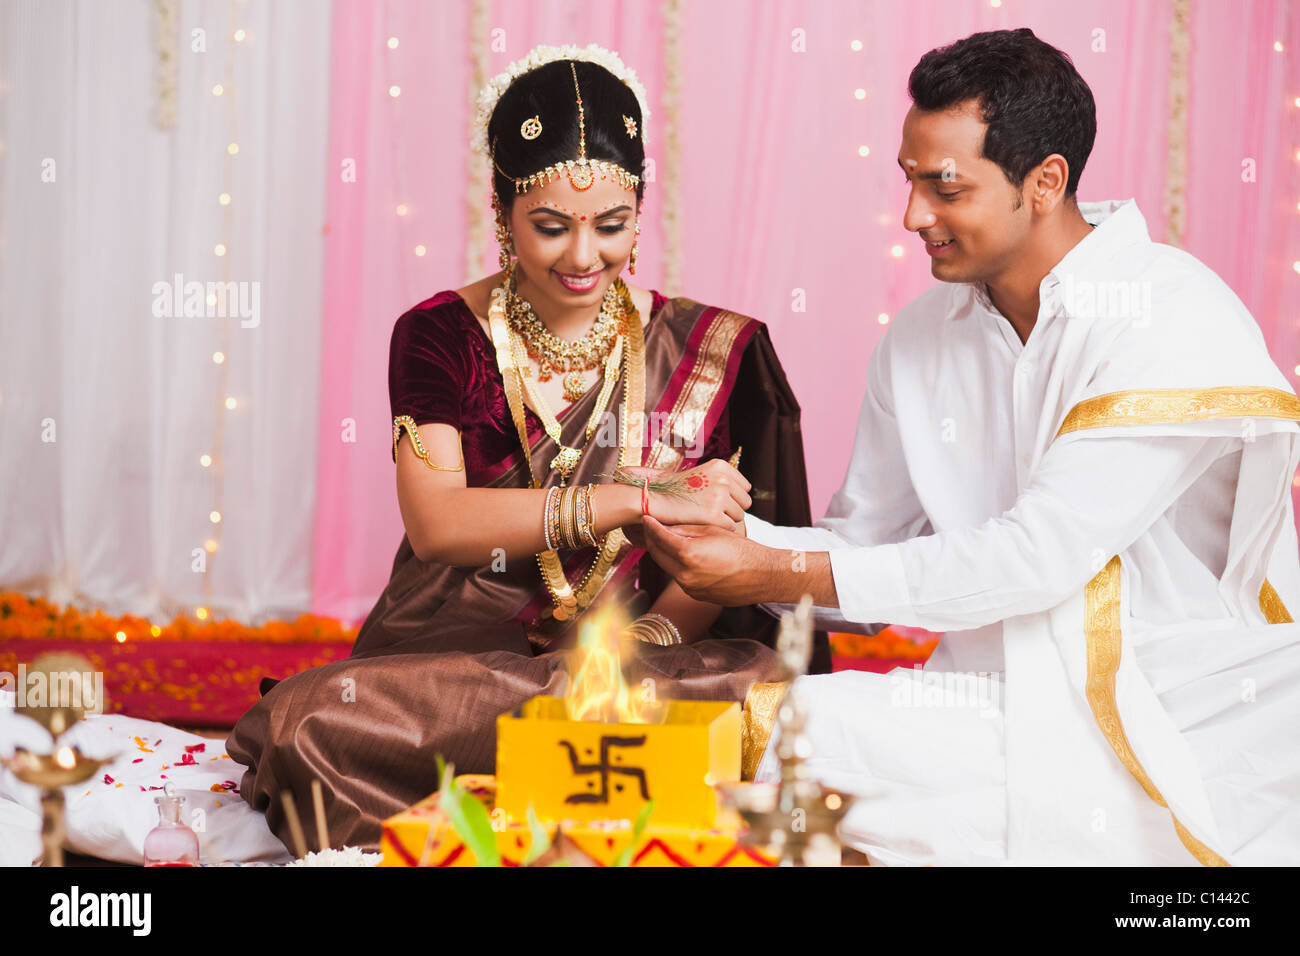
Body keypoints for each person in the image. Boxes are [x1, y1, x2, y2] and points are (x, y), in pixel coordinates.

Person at [641, 28, 1300, 866]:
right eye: (910, 181)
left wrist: (772, 571)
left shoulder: (1168, 313)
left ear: (1045, 181)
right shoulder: (920, 337)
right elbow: (866, 559)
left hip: (1190, 697)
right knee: (786, 734)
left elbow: (1038, 558)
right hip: (986, 702)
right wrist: (720, 534)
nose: (915, 215)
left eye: (944, 187)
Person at [227, 45, 823, 851]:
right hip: (464, 658)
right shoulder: (441, 335)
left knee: (772, 694)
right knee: (313, 725)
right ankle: (594, 787)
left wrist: (627, 651)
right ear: (504, 212)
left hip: (647, 659)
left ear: (640, 211)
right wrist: (639, 499)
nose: (583, 257)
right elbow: (437, 522)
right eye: (551, 226)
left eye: (610, 226)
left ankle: (530, 780)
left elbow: (725, 557)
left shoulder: (712, 346)